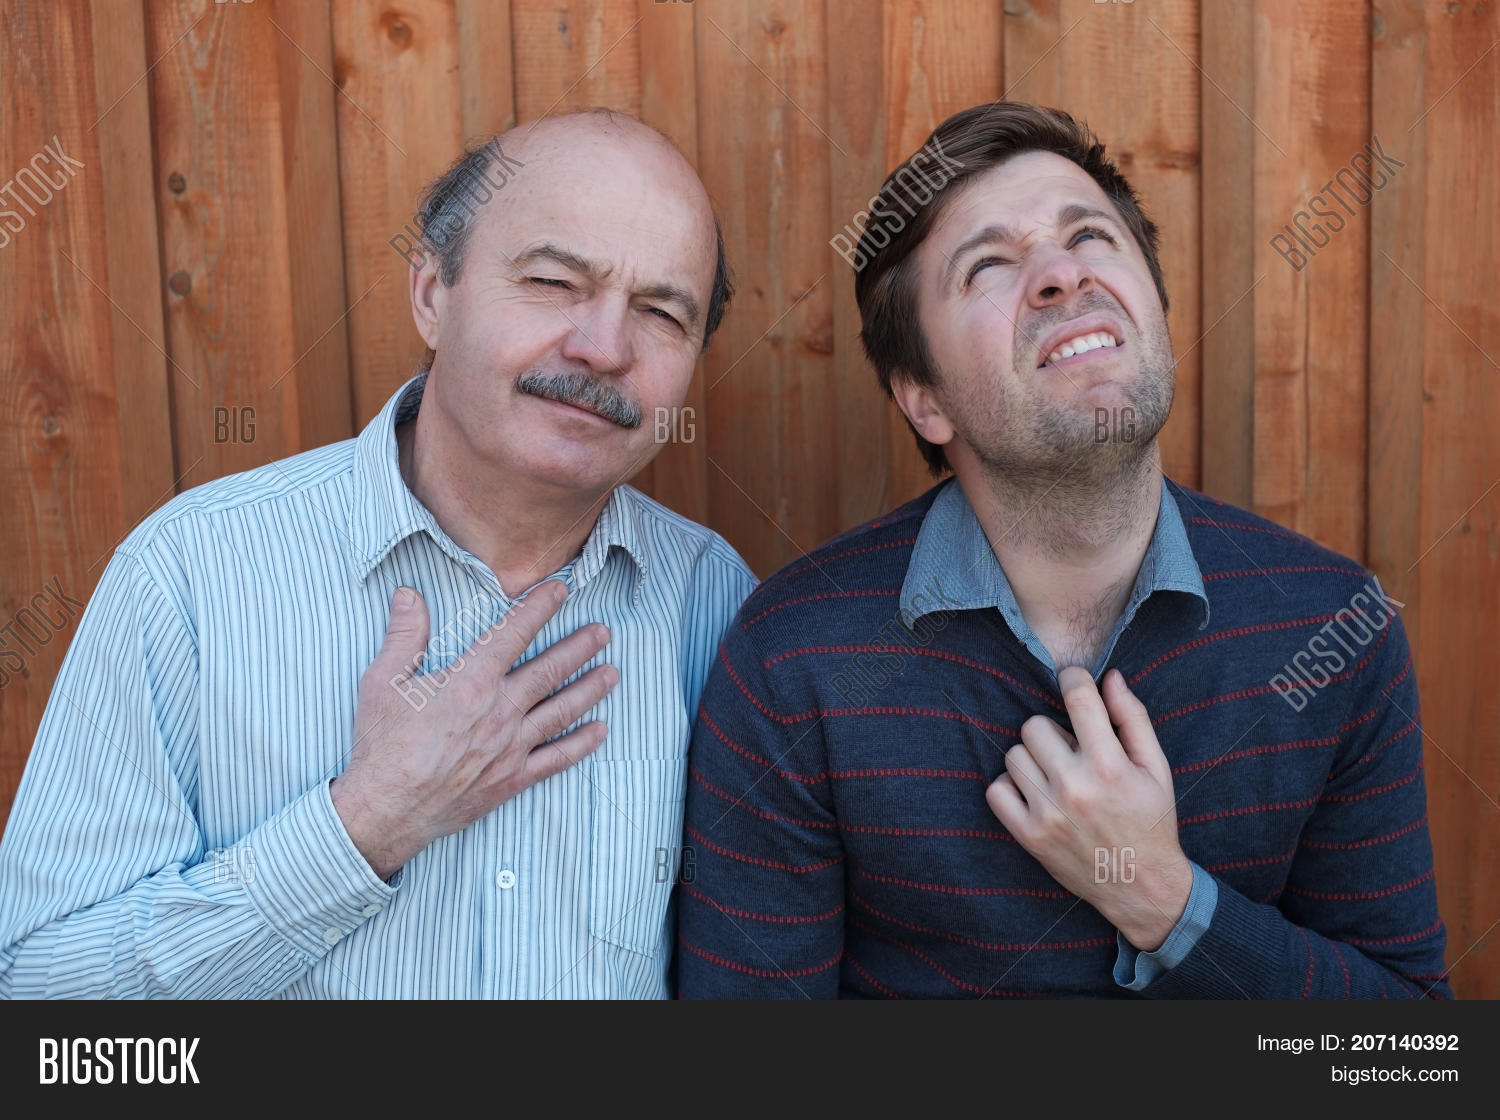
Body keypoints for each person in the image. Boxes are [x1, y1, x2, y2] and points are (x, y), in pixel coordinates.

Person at [677, 101, 1450, 999]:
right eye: (991, 265)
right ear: (923, 398)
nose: (1059, 275)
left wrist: (1165, 901)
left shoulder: (1330, 629)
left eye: (1090, 237)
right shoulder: (796, 661)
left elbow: (1408, 1057)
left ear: (1152, 309)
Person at [0, 109, 756, 999]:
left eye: (663, 313)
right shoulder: (193, 574)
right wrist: (366, 822)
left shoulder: (717, 603)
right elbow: (41, 1002)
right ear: (433, 293)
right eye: (554, 281)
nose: (604, 347)